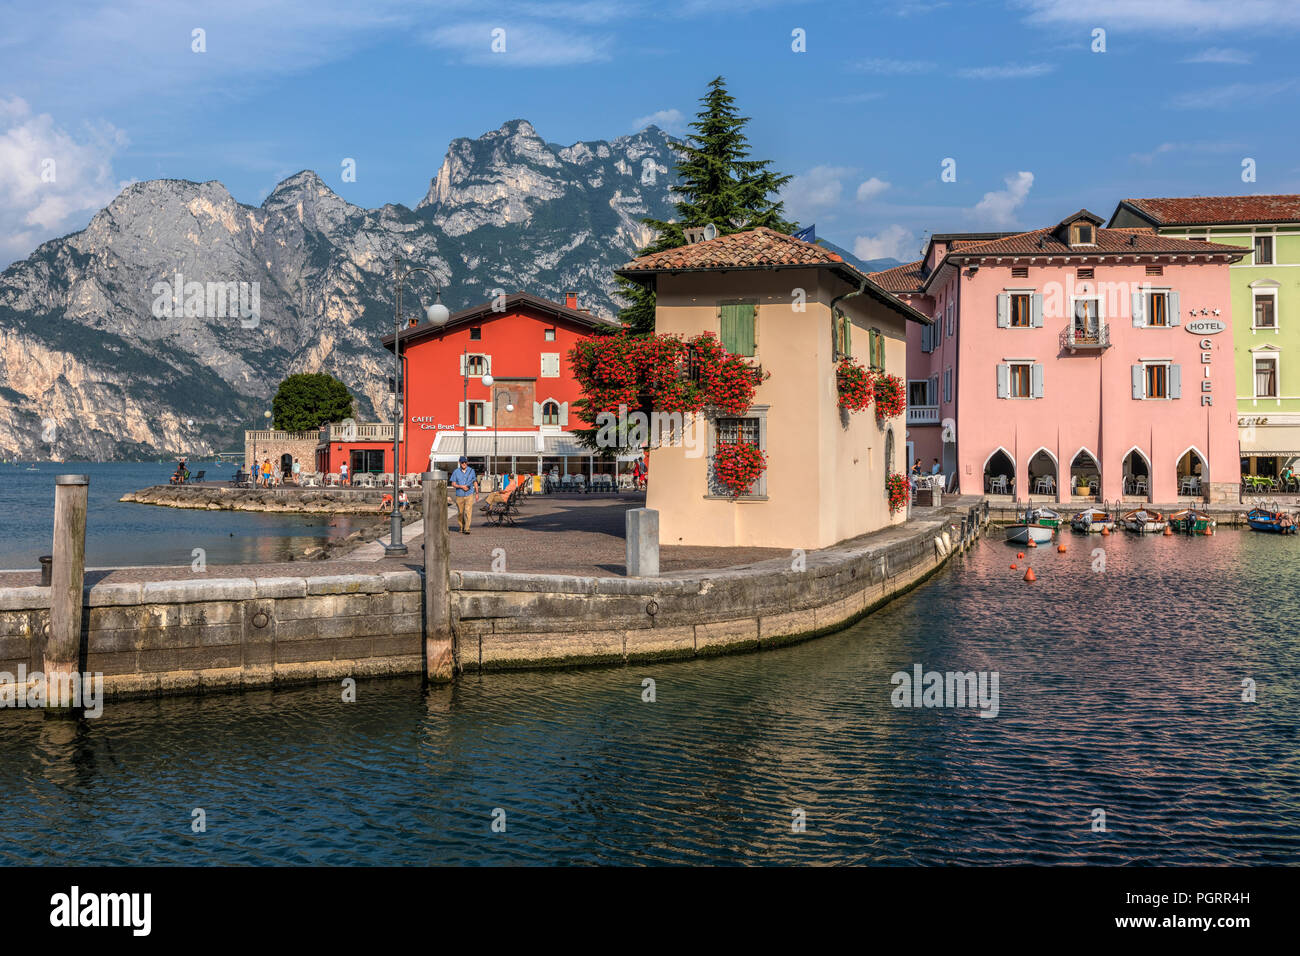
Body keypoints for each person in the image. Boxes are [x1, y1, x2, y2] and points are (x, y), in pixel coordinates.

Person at [450, 455, 477, 534]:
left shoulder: (472, 471)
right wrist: (461, 486)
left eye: (465, 462)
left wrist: (477, 492)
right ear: (460, 463)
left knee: (468, 511)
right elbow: (453, 484)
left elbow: (475, 481)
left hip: (469, 494)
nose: (464, 464)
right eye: (462, 462)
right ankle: (462, 527)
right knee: (460, 513)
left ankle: (467, 528)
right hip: (459, 495)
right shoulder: (456, 472)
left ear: (467, 463)